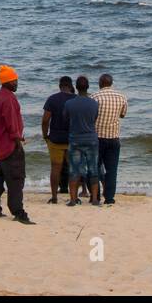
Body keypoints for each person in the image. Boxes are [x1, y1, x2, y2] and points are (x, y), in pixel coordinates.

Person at [0, 64, 34, 225]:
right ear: (8, 82)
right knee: (16, 179)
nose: (17, 83)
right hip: (10, 146)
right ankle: (18, 212)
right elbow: (11, 123)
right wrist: (17, 139)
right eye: (14, 80)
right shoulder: (9, 98)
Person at [63, 75, 100, 206]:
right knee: (93, 169)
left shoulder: (69, 103)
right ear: (88, 87)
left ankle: (73, 200)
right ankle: (95, 199)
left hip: (75, 139)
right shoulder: (94, 103)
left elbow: (66, 119)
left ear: (76, 88)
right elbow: (94, 119)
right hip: (91, 139)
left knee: (74, 170)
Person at [91, 72, 128, 205]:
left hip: (97, 138)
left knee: (95, 168)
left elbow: (92, 116)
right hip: (114, 138)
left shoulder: (94, 97)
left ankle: (95, 197)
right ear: (111, 83)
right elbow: (123, 115)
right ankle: (110, 198)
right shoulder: (121, 97)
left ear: (100, 84)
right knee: (112, 170)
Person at [41, 76, 75, 204]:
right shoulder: (76, 99)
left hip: (55, 139)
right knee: (73, 168)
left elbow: (45, 121)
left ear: (60, 86)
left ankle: (54, 197)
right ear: (71, 86)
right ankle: (73, 197)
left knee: (55, 168)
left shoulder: (52, 99)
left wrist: (45, 136)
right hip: (72, 139)